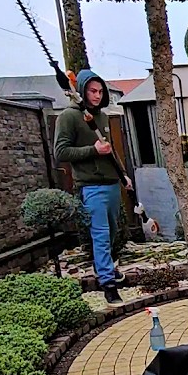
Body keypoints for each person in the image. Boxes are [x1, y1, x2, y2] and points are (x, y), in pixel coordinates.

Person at [55, 70, 127, 305]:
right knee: (101, 235)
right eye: (92, 91)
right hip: (91, 186)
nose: (97, 96)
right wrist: (92, 150)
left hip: (112, 183)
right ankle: (107, 283)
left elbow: (110, 150)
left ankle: (105, 267)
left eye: (100, 91)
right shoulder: (69, 117)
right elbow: (61, 152)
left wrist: (123, 174)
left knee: (113, 232)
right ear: (82, 91)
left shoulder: (102, 117)